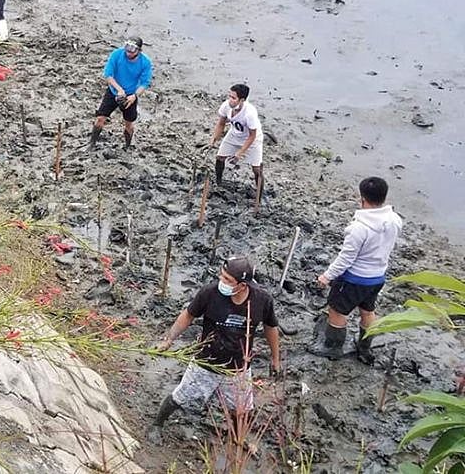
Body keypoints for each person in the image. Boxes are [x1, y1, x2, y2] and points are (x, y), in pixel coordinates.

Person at [147, 257, 281, 445]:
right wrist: (169, 339)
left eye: (227, 280)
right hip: (206, 362)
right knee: (181, 396)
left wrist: (275, 359)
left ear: (242, 286)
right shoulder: (210, 293)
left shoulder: (261, 300)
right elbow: (188, 315)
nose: (221, 282)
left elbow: (271, 328)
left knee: (241, 410)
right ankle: (157, 424)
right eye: (222, 276)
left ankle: (237, 439)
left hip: (238, 367)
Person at [310, 177, 402, 363]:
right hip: (377, 277)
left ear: (362, 198)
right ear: (384, 197)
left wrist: (326, 276)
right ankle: (364, 347)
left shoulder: (359, 228)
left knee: (337, 311)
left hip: (354, 279)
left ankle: (332, 348)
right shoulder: (395, 220)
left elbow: (346, 258)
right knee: (367, 311)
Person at [88, 37, 153, 150]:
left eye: (132, 50)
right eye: (127, 49)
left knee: (129, 123)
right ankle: (91, 144)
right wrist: (119, 90)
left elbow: (144, 83)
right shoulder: (117, 54)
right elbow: (108, 75)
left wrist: (134, 96)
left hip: (130, 96)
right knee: (100, 118)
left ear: (139, 51)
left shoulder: (145, 63)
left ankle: (127, 146)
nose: (128, 53)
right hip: (113, 92)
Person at [210, 84, 264, 192]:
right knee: (220, 157)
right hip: (234, 134)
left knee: (257, 169)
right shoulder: (226, 106)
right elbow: (221, 123)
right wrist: (213, 139)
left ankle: (259, 195)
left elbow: (252, 135)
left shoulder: (249, 114)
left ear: (242, 100)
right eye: (229, 96)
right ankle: (218, 182)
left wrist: (239, 154)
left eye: (233, 98)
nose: (230, 100)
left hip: (252, 139)